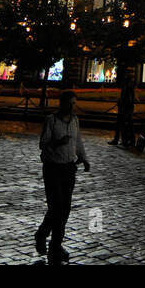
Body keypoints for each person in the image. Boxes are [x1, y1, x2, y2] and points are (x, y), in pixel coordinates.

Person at [35, 90, 90, 264]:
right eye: (71, 103)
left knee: (65, 208)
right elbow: (43, 143)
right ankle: (42, 234)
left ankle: (56, 244)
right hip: (53, 168)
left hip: (69, 168)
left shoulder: (75, 120)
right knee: (56, 206)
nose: (73, 106)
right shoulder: (51, 120)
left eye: (75, 103)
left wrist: (84, 158)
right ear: (62, 103)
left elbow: (78, 141)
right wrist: (57, 142)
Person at [110, 76, 136, 147]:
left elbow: (128, 101)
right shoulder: (128, 89)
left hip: (124, 110)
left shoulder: (128, 89)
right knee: (122, 125)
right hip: (125, 110)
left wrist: (121, 104)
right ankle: (124, 140)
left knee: (124, 126)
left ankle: (125, 141)